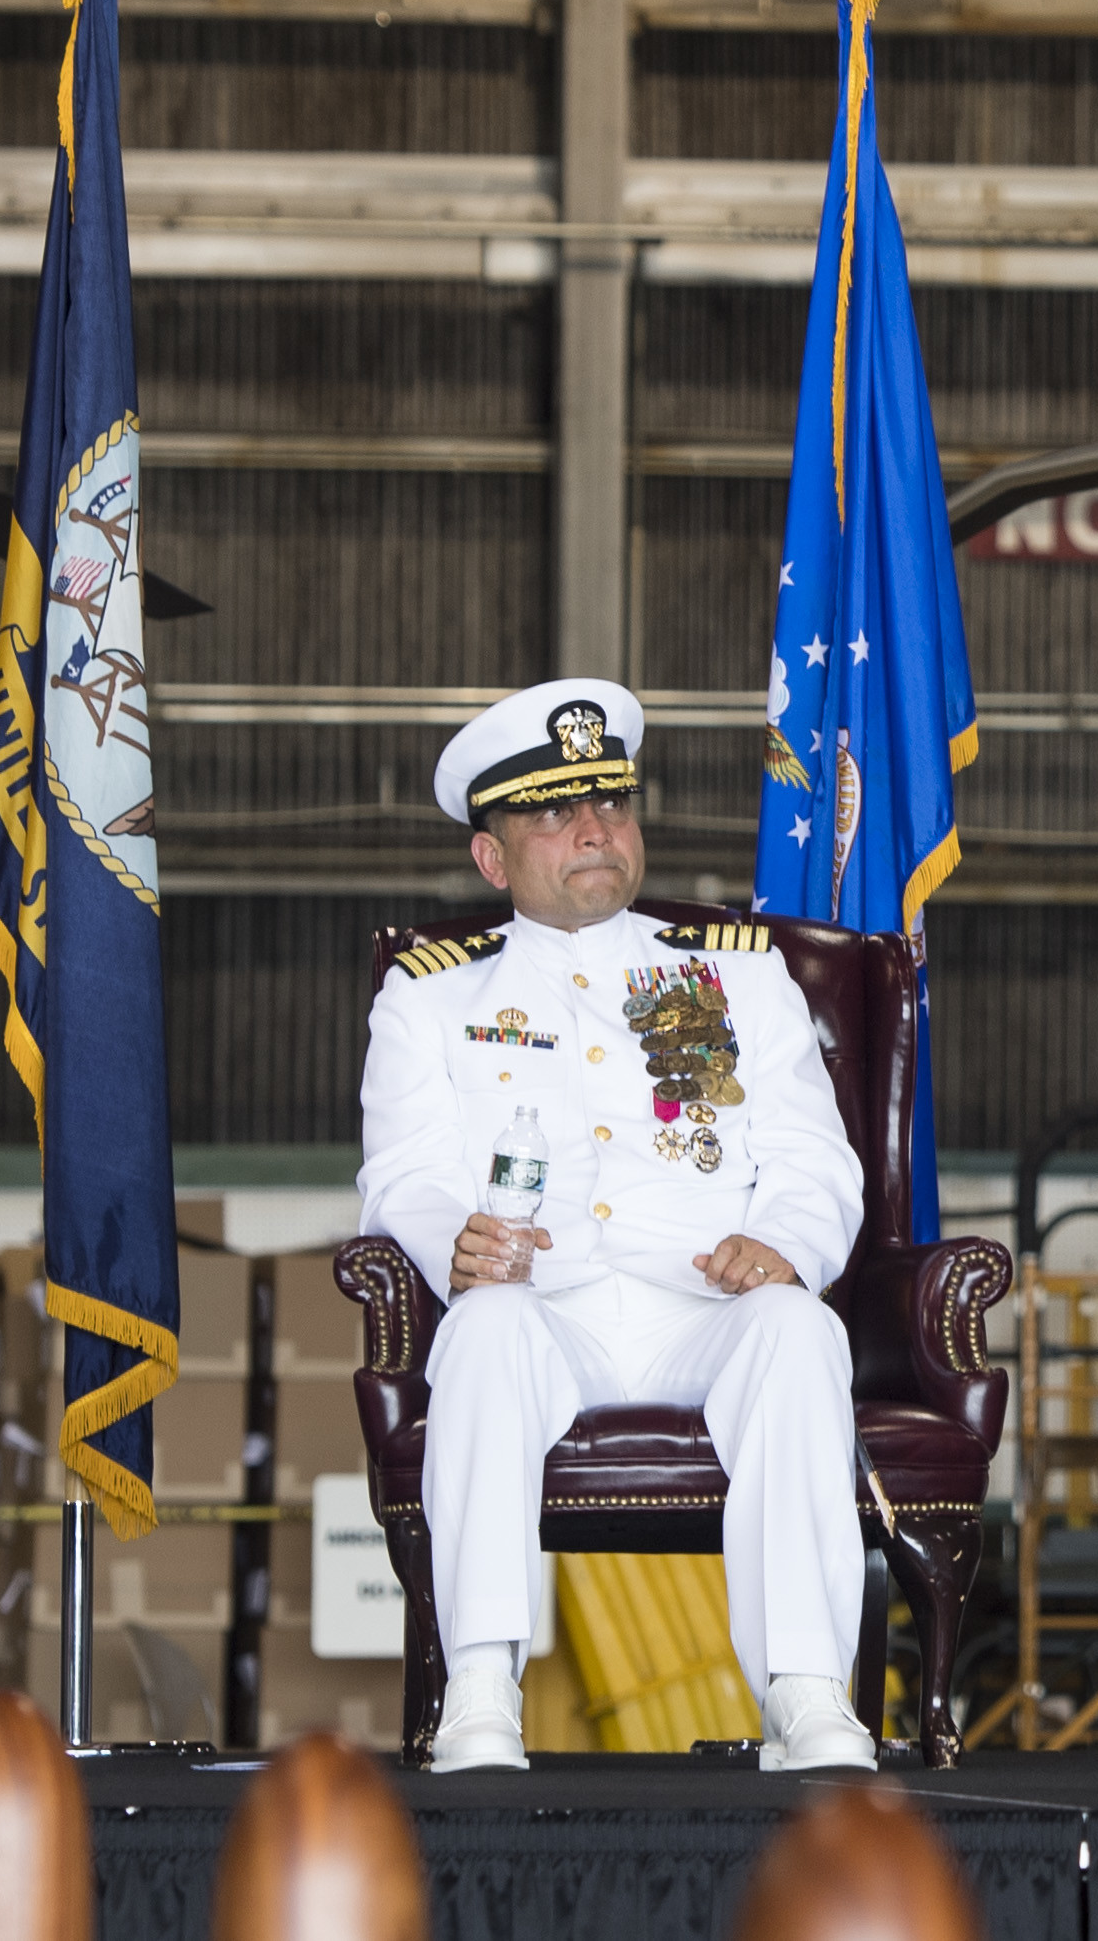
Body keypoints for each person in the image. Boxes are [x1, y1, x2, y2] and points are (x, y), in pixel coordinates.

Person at [358, 676, 875, 1774]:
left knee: (798, 1329)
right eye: (553, 812)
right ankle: (483, 1692)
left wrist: (783, 1243)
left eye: (611, 805)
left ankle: (806, 1693)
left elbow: (814, 1158)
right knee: (484, 1327)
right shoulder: (432, 997)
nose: (594, 830)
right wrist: (461, 1240)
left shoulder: (739, 975)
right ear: (493, 859)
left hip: (706, 1306)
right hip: (549, 1312)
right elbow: (401, 1171)